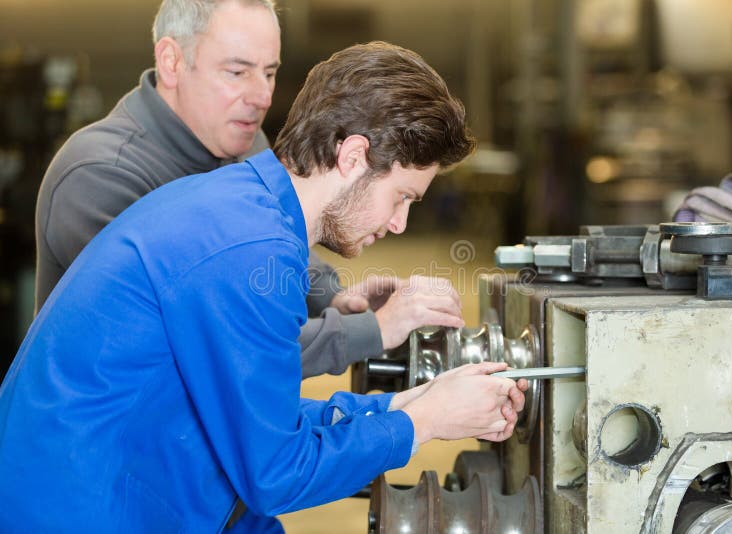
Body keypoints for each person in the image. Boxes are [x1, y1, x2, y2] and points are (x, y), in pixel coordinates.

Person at [0, 41, 528, 532]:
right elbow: (277, 473)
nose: (399, 224)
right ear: (352, 157)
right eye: (403, 197)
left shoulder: (247, 209)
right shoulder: (247, 250)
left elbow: (257, 417)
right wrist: (426, 422)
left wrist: (408, 405)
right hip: (84, 510)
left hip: (127, 474)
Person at [33, 0, 465, 379]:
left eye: (270, 72)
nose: (261, 96)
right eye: (237, 71)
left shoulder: (241, 141)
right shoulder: (102, 174)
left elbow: (281, 236)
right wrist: (371, 332)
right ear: (171, 61)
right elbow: (217, 346)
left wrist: (332, 298)